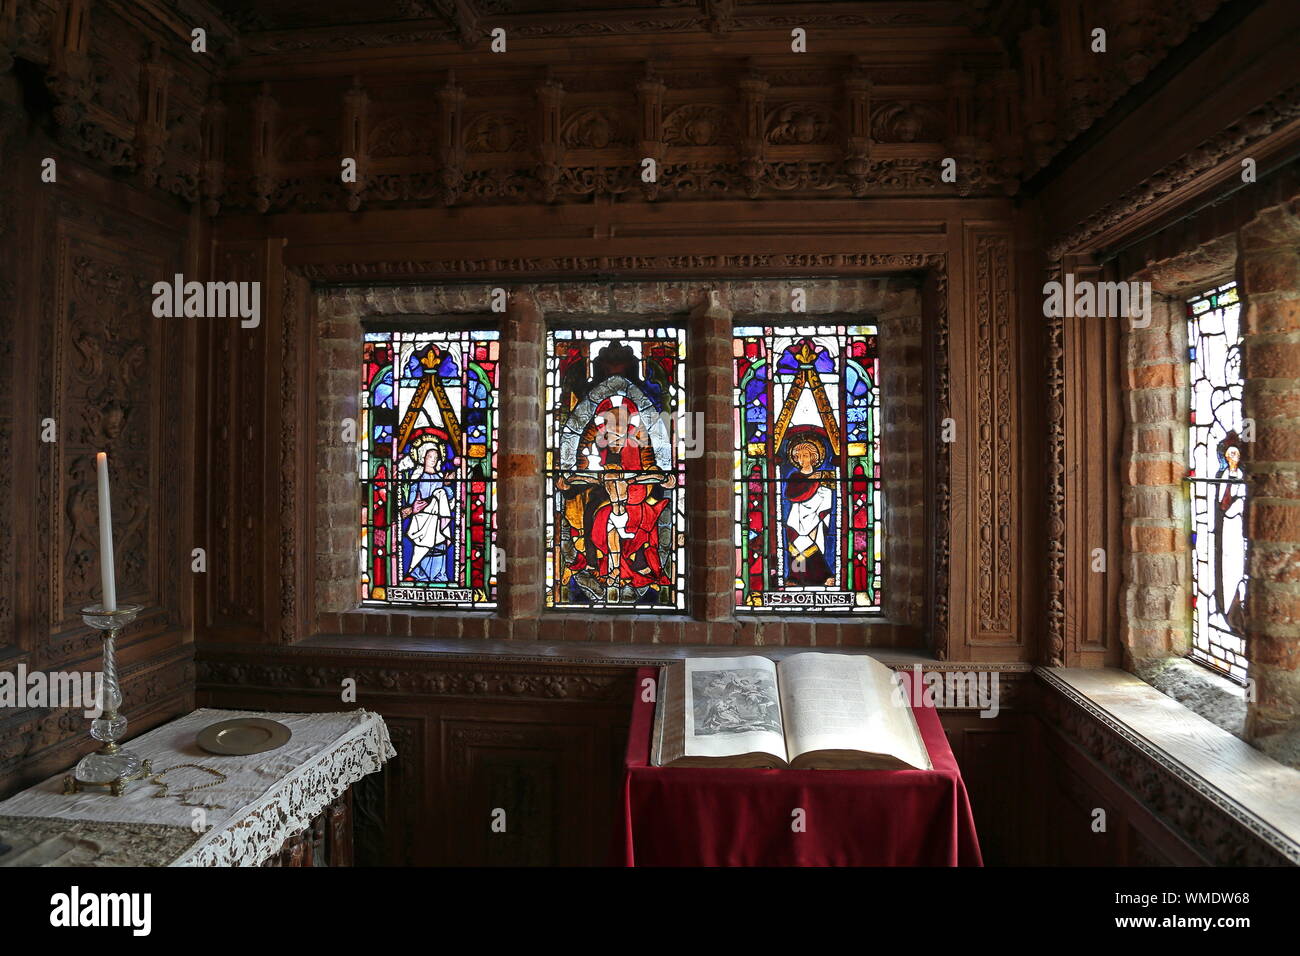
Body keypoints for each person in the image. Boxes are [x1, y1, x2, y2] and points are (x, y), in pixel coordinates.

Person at [400, 437, 454, 583]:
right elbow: (411, 499)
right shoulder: (417, 477)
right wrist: (413, 507)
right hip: (422, 519)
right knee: (422, 548)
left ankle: (438, 576)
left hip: (437, 519)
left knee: (438, 547)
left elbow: (449, 496)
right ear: (423, 458)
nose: (433, 460)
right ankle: (419, 574)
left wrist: (447, 485)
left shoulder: (440, 477)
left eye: (436, 457)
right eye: (430, 456)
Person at [783, 438, 835, 586]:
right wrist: (813, 481)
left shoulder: (822, 478)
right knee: (796, 547)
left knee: (814, 545)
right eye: (798, 456)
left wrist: (819, 484)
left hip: (816, 518)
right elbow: (792, 494)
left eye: (805, 455)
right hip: (797, 517)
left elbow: (826, 497)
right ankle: (795, 577)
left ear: (813, 457)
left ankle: (822, 577)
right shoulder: (795, 477)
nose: (801, 459)